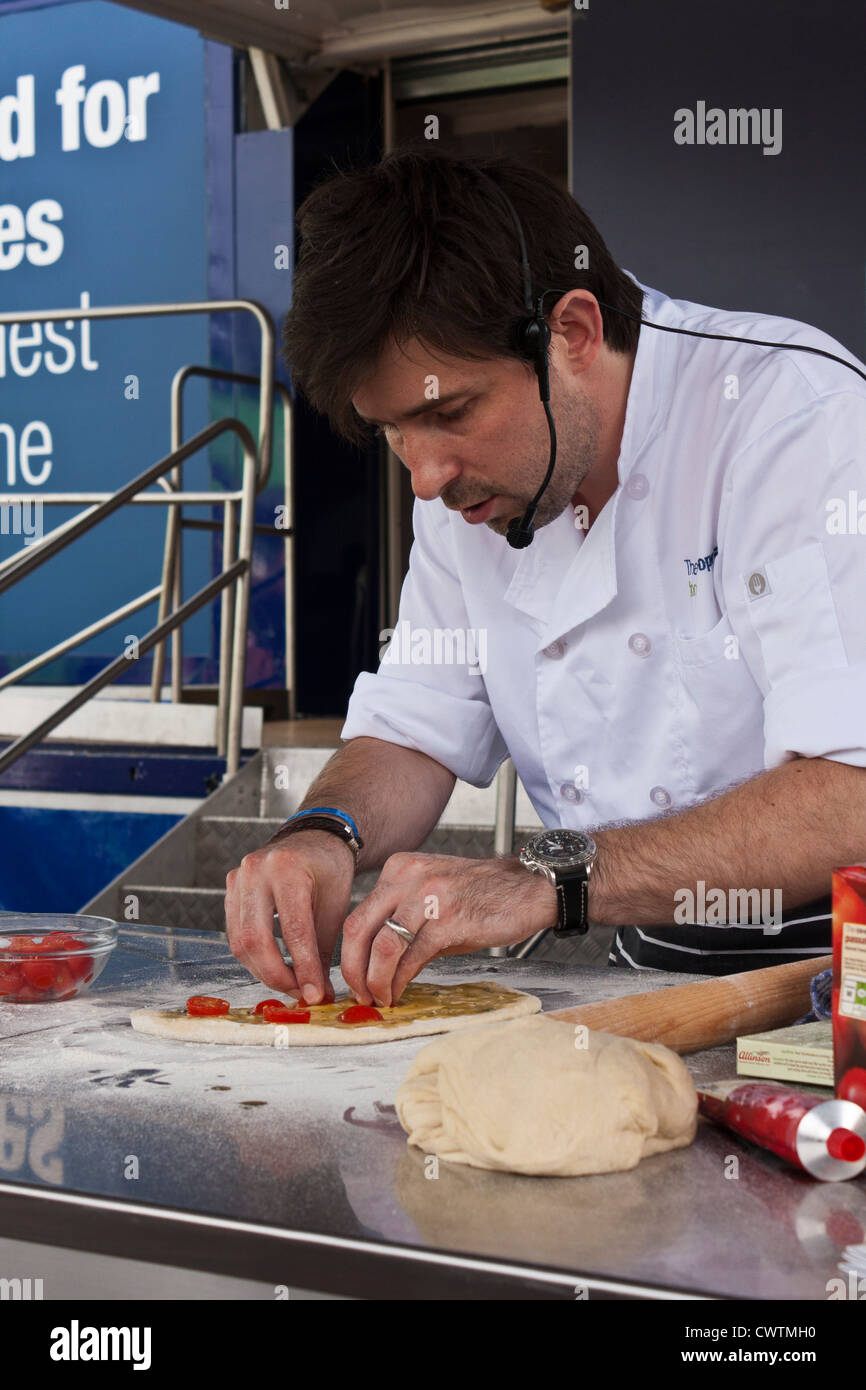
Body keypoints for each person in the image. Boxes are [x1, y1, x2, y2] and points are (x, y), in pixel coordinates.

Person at [225, 147, 866, 1007]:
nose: (424, 475)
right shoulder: (462, 486)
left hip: (844, 972)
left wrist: (548, 876)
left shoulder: (791, 415)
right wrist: (322, 835)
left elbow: (850, 795)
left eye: (449, 412)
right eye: (392, 433)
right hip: (656, 966)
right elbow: (416, 723)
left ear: (571, 333)